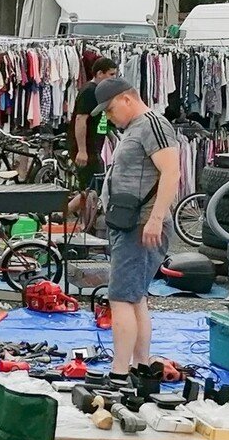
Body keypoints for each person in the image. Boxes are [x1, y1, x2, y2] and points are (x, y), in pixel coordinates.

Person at [94, 77, 181, 380]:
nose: (108, 116)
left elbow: (172, 171)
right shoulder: (134, 128)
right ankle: (139, 366)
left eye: (109, 109)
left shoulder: (152, 123)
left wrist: (155, 218)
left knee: (120, 297)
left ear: (127, 99)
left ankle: (119, 372)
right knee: (134, 297)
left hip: (142, 224)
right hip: (132, 223)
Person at [70, 57, 117, 222]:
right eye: (111, 74)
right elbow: (80, 119)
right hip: (86, 148)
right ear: (99, 73)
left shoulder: (99, 92)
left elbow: (101, 119)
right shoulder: (90, 91)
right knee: (91, 188)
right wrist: (82, 150)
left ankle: (81, 222)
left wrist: (110, 135)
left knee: (92, 187)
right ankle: (61, 215)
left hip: (94, 146)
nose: (113, 78)